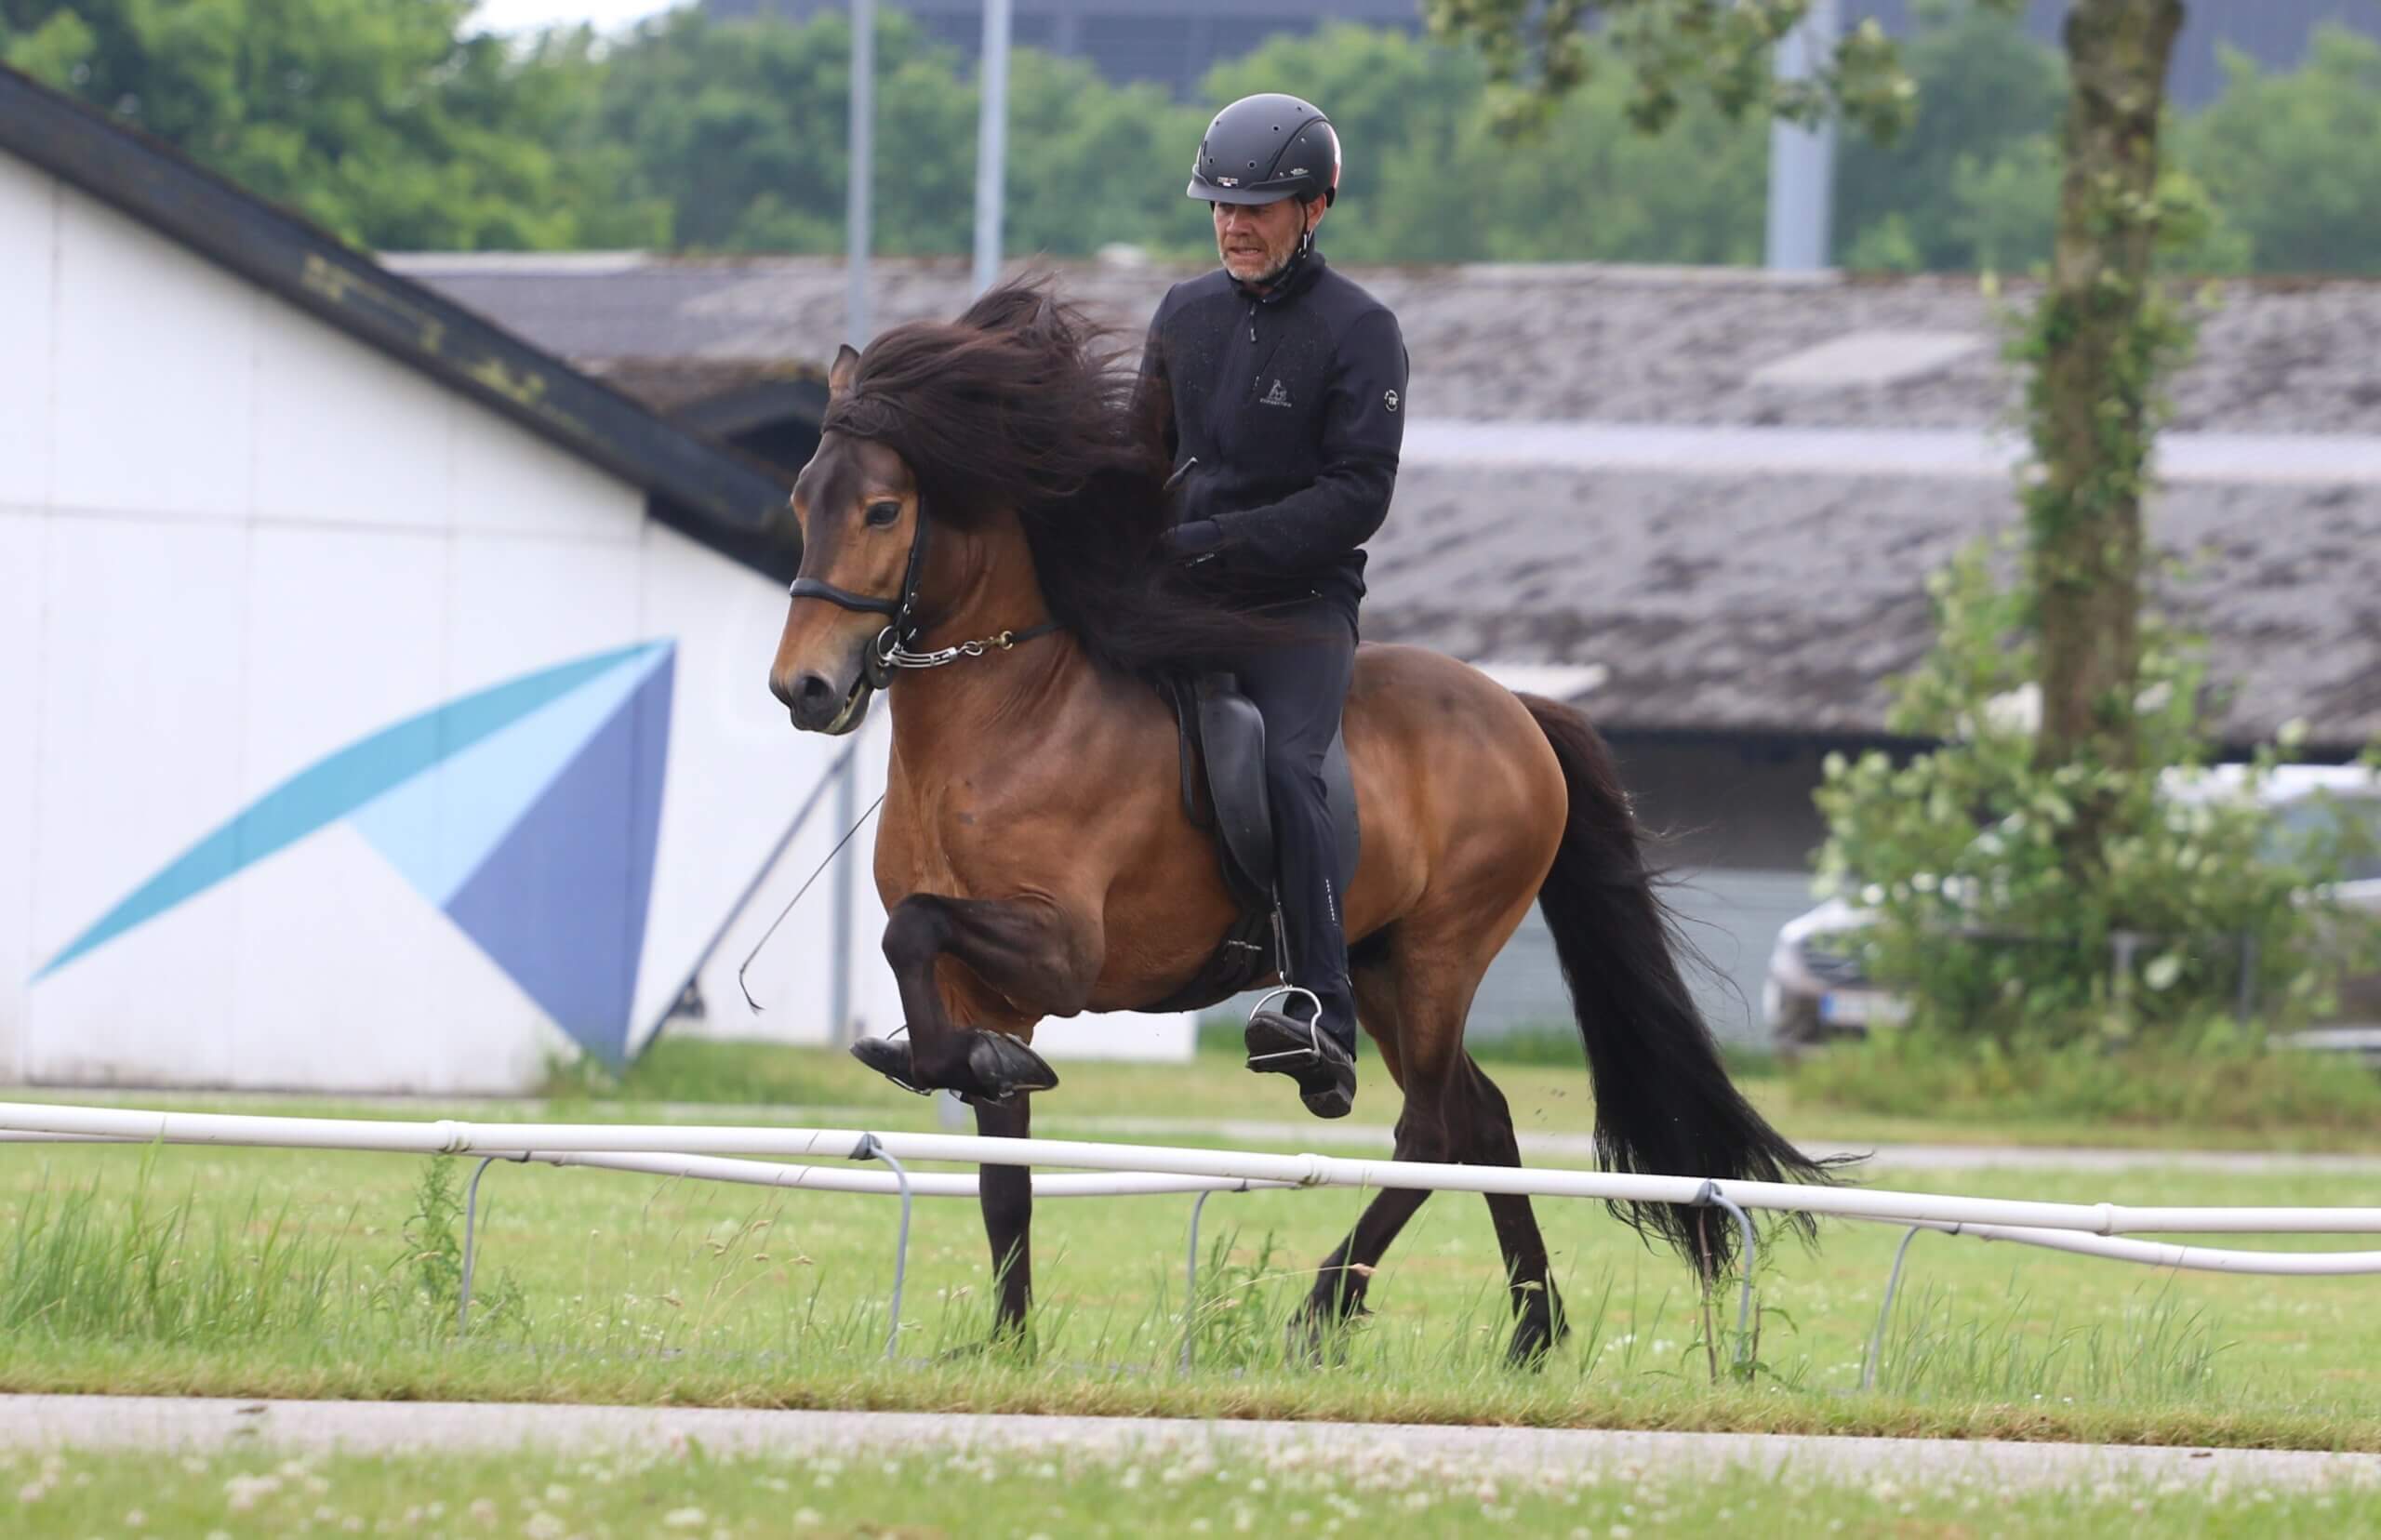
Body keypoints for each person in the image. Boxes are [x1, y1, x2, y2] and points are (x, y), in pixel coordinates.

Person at [1138, 92, 1408, 1119]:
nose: (1234, 225)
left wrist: (1212, 541)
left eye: (1259, 207)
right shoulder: (1182, 313)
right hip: (1178, 595)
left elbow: (1356, 496)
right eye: (1219, 206)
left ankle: (1323, 1009)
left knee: (1292, 766)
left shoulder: (1361, 330)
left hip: (1297, 607)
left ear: (1317, 206)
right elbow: (1139, 455)